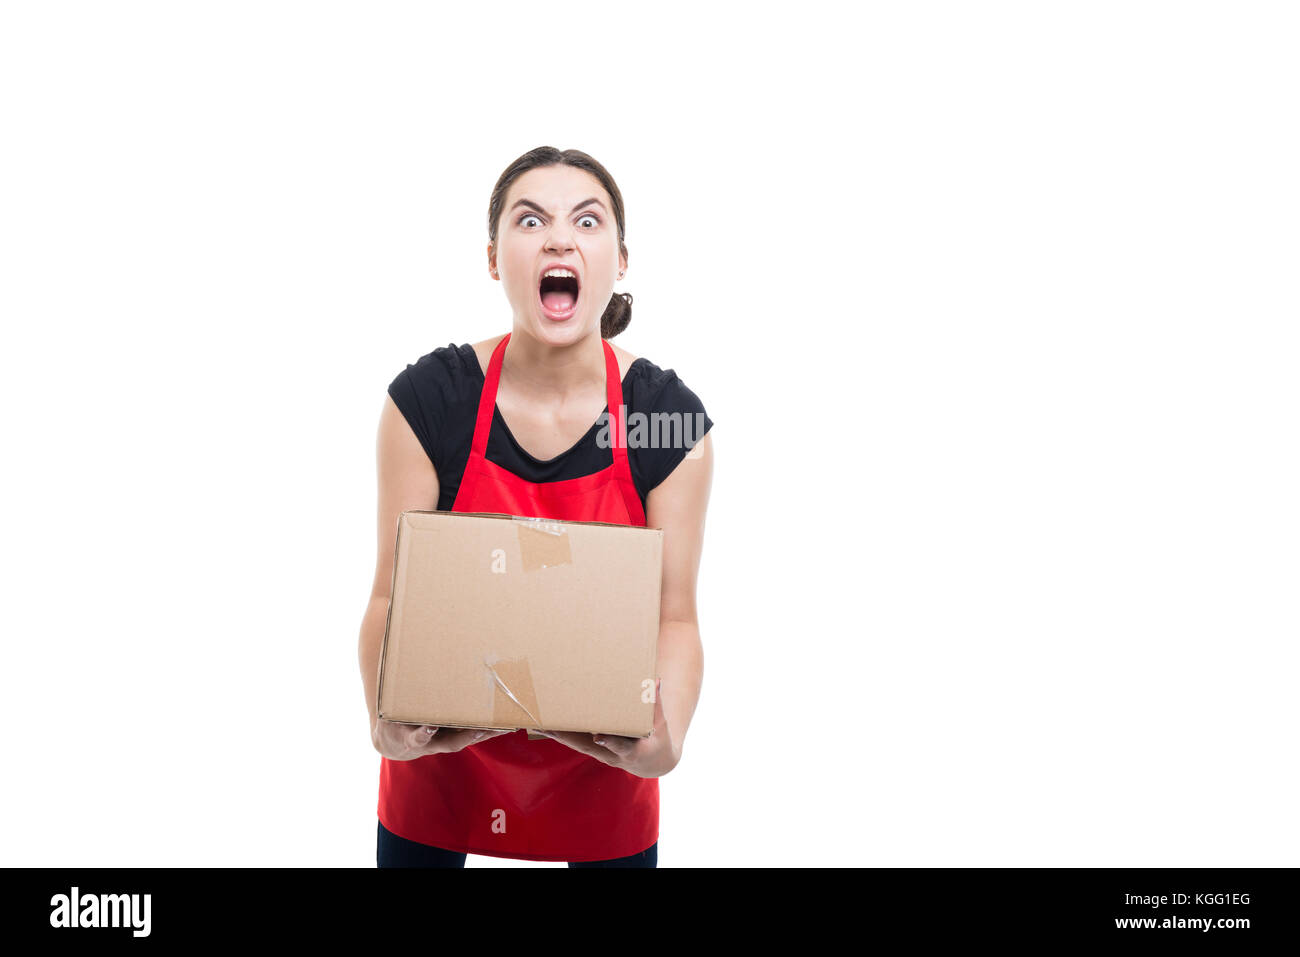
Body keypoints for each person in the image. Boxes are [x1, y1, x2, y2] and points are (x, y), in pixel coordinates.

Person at [358, 146, 715, 867]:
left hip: (604, 773)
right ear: (494, 259)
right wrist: (383, 718)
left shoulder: (663, 417)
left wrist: (667, 735)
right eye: (531, 220)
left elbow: (674, 614)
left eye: (587, 220)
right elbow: (390, 596)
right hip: (442, 770)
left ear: (619, 258)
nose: (559, 238)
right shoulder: (432, 400)